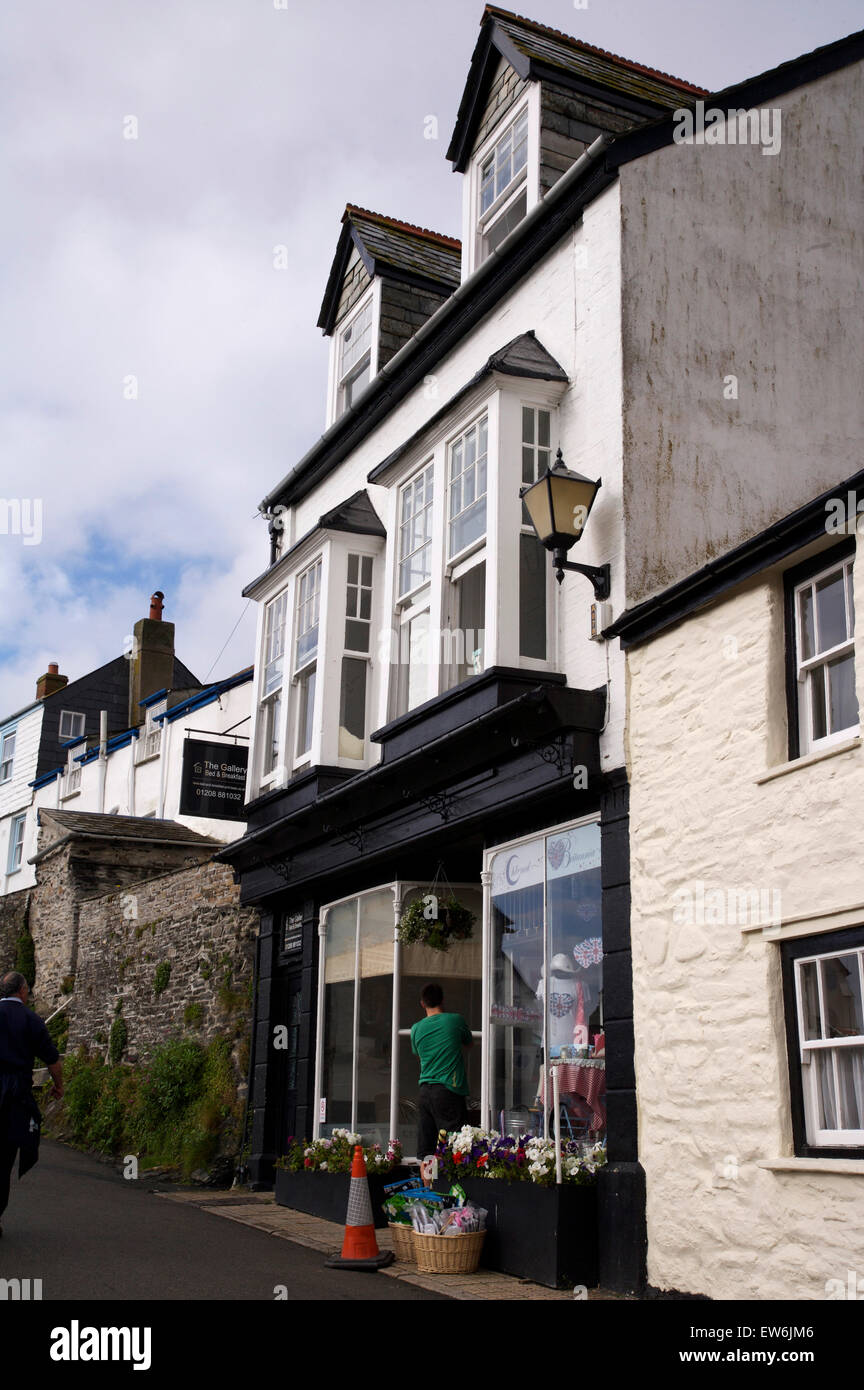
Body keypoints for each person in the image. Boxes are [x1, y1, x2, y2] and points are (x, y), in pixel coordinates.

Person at [0, 970, 63, 1236]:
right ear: (23, 991)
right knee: (3, 1162)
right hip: (15, 1098)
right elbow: (53, 1060)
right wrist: (58, 1086)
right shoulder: (32, 1020)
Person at [410, 982, 472, 1161]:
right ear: (442, 1000)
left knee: (427, 1150)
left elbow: (418, 1054)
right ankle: (452, 1186)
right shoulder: (455, 1020)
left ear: (423, 1003)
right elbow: (468, 1044)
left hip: (425, 1092)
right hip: (448, 1090)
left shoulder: (416, 1029)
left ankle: (428, 1186)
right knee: (456, 1145)